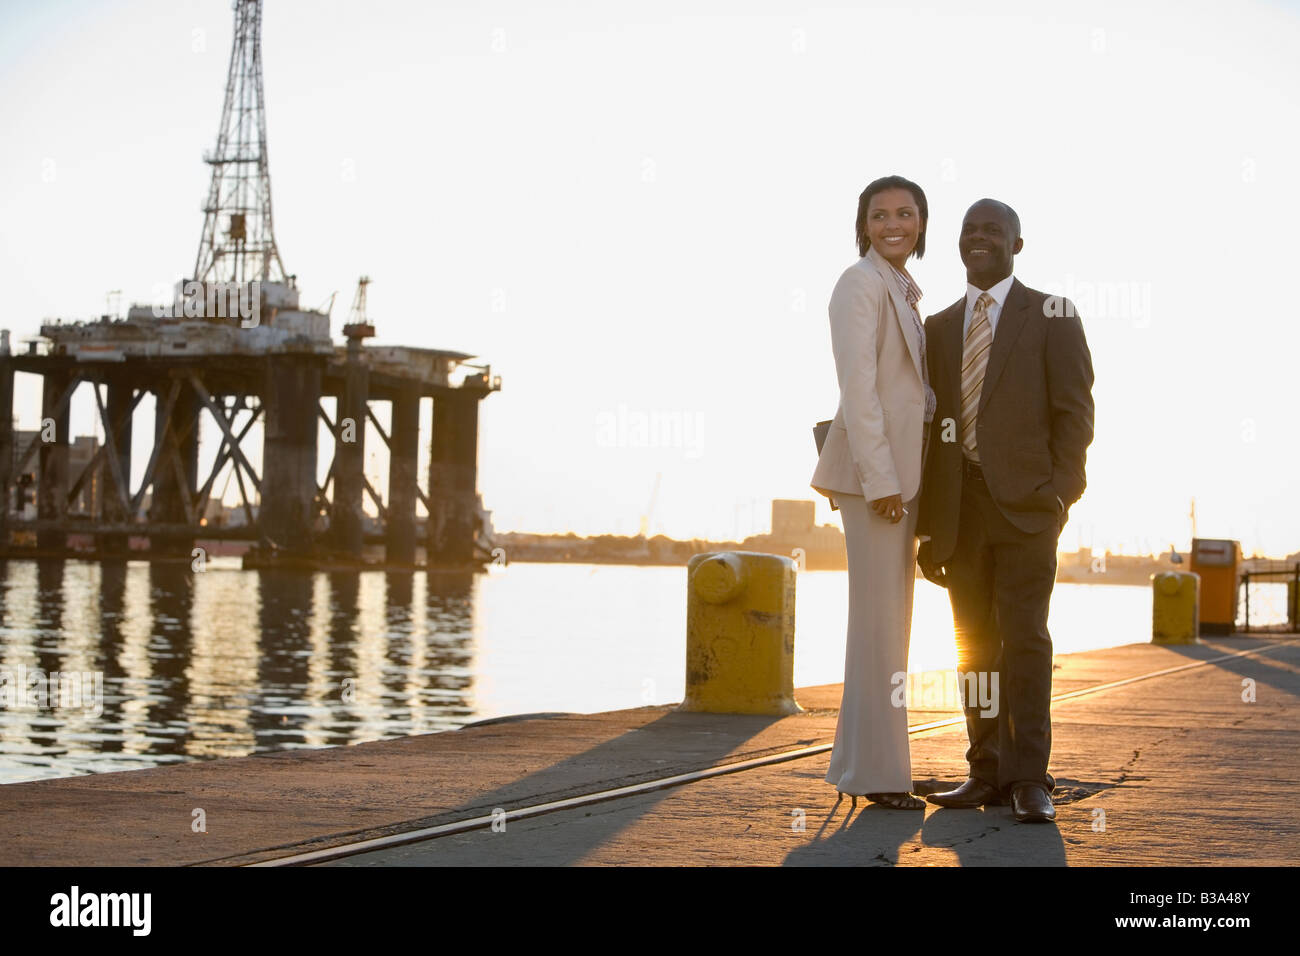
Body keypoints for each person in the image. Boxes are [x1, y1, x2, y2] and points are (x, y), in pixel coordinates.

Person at [916, 198, 1094, 823]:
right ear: (957, 244)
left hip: (1027, 509)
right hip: (958, 509)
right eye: (969, 230)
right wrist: (928, 522)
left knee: (1024, 640)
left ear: (1018, 243)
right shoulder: (936, 326)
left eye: (993, 230)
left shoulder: (1053, 313)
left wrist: (1060, 493)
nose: (978, 238)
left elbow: (1075, 413)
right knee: (974, 647)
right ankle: (984, 769)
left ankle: (1028, 778)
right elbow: (927, 425)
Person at [810, 175, 935, 809]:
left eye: (906, 213)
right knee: (881, 629)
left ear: (921, 222)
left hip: (895, 479)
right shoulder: (859, 284)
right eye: (881, 214)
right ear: (863, 224)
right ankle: (880, 775)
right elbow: (858, 390)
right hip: (876, 482)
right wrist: (884, 482)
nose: (894, 224)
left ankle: (866, 767)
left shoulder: (901, 289)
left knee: (882, 628)